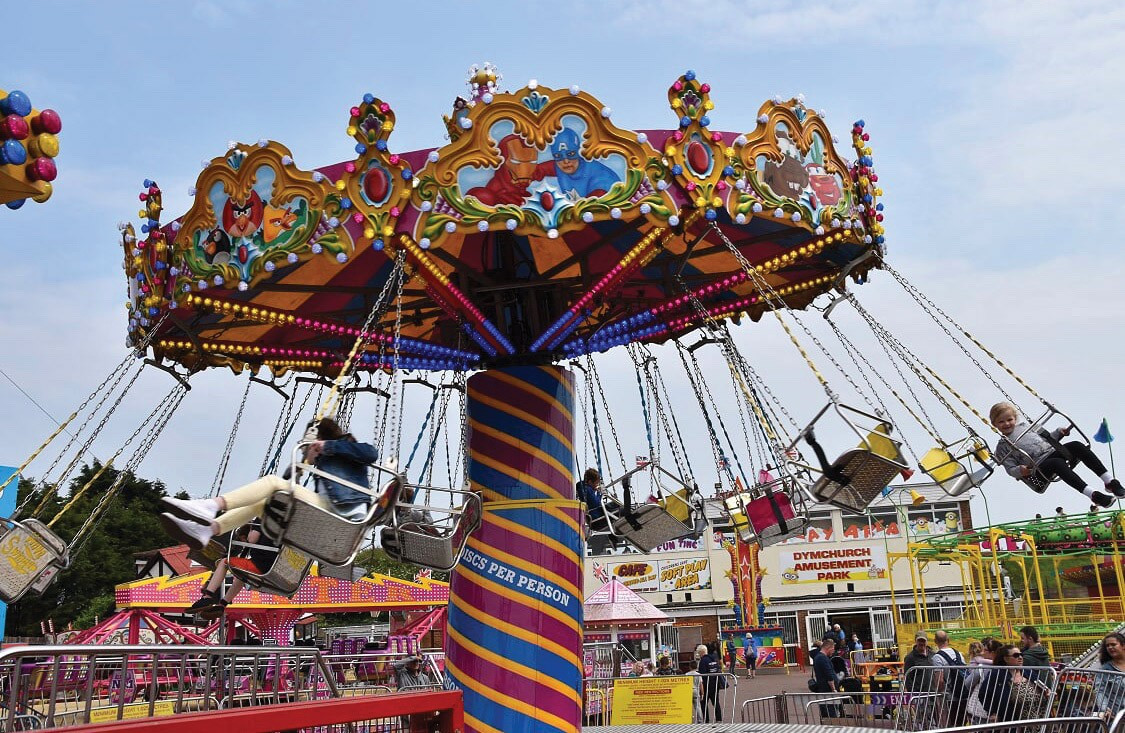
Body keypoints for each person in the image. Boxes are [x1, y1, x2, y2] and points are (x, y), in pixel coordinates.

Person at [159, 418, 378, 563]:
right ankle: (210, 529)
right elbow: (287, 487)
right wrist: (303, 464)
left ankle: (210, 506)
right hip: (331, 511)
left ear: (321, 437)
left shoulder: (344, 444)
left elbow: (370, 453)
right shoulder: (323, 464)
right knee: (262, 503)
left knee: (272, 482)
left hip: (345, 512)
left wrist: (327, 447)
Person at [990, 402, 1123, 507]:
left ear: (1015, 418)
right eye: (1001, 422)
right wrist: (1021, 470)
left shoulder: (1025, 427)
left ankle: (1109, 481)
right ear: (994, 424)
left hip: (1052, 452)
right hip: (1038, 469)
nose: (1006, 424)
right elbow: (1010, 469)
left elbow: (1048, 439)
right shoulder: (1002, 447)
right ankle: (1093, 495)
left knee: (1077, 445)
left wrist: (1059, 432)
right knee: (1056, 463)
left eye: (1009, 419)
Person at [548, 127, 620, 199]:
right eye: (558, 156)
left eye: (571, 154)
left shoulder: (601, 178)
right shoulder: (559, 165)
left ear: (578, 152)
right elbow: (538, 170)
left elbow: (595, 204)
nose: (566, 161)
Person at [931, 630, 970, 727]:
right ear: (948, 640)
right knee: (962, 724)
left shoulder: (937, 657)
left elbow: (939, 680)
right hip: (963, 695)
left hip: (949, 697)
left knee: (951, 724)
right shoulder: (959, 654)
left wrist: (939, 693)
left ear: (935, 641)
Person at [902, 633, 937, 730]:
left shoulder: (933, 655)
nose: (921, 643)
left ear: (926, 641)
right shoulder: (910, 658)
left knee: (937, 720)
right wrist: (913, 695)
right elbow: (908, 678)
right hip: (920, 695)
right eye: (919, 640)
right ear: (916, 641)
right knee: (924, 721)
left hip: (935, 694)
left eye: (923, 640)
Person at [1095, 632, 1125, 718]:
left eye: (1113, 644)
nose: (1110, 647)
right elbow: (1100, 691)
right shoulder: (1105, 669)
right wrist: (1104, 709)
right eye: (1107, 646)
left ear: (1123, 646)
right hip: (1118, 716)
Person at [812, 637, 841, 719]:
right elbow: (829, 675)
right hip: (828, 691)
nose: (833, 651)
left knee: (826, 713)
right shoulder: (822, 658)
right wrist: (833, 689)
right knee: (831, 714)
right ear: (828, 648)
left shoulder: (818, 657)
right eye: (833, 649)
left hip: (824, 691)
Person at [697, 642, 723, 722]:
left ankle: (706, 719)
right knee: (716, 703)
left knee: (704, 703)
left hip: (706, 685)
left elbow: (702, 674)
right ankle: (719, 719)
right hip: (715, 684)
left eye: (698, 653)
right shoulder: (713, 658)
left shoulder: (703, 661)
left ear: (701, 652)